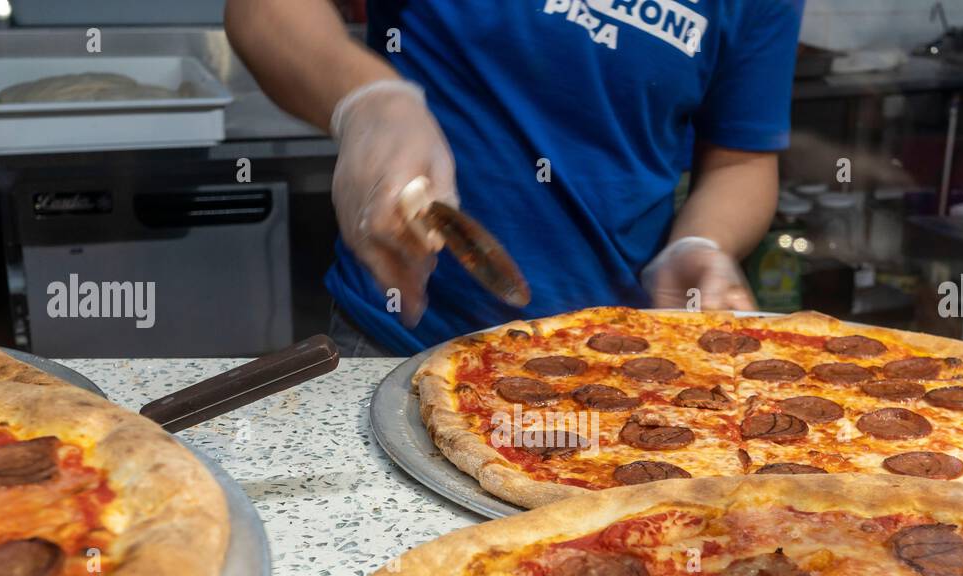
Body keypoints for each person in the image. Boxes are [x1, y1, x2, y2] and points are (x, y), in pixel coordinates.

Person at [227, 0, 805, 356]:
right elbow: (264, 9)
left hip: (615, 361)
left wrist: (701, 243)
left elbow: (741, 161)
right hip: (394, 339)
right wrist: (368, 102)